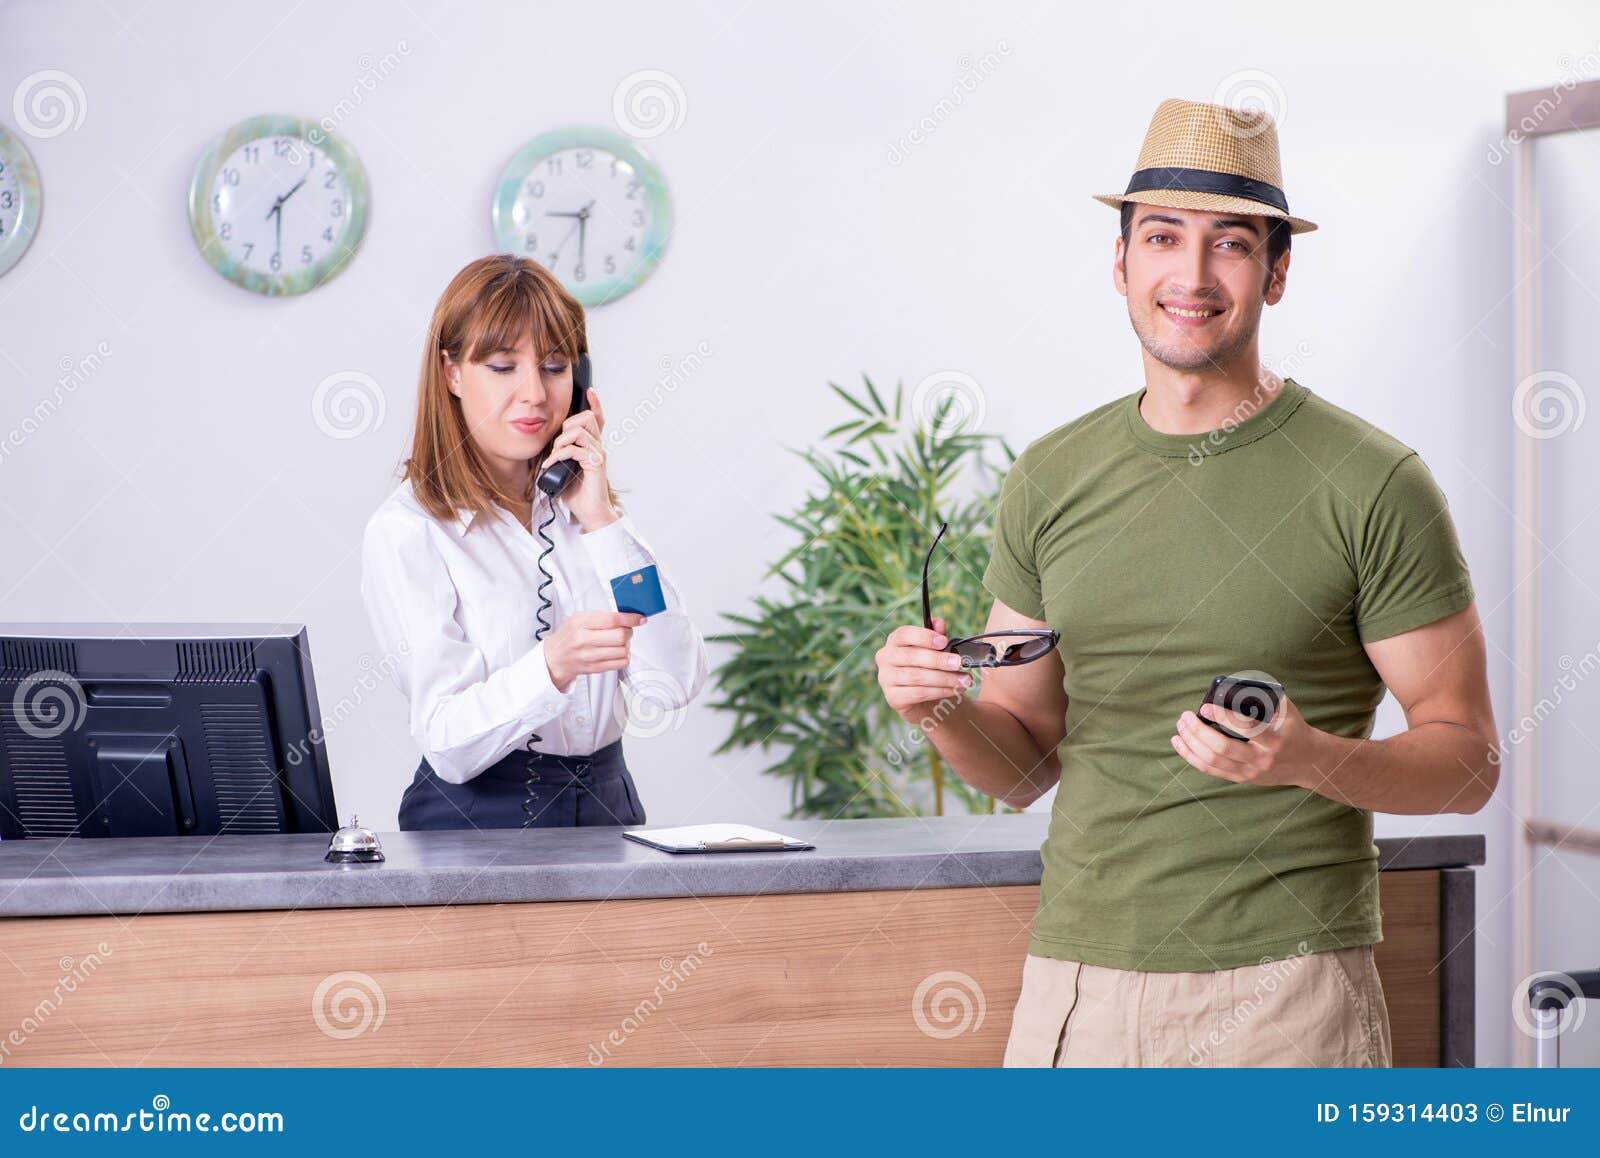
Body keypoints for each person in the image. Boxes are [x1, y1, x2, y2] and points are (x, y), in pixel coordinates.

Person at [873, 98, 1497, 1067]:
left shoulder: (1373, 482)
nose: (1192, 276)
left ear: (1278, 272)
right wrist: (938, 710)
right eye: (1162, 237)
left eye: (1232, 244)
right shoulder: (1051, 476)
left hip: (1288, 1002)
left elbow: (1468, 762)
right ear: (1120, 265)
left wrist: (1301, 760)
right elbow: (1028, 763)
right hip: (1077, 994)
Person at [361, 254, 707, 830]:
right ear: (451, 374)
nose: (534, 394)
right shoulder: (409, 530)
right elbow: (446, 741)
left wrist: (600, 521)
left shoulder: (590, 515)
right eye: (502, 366)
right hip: (474, 820)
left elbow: (672, 680)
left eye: (553, 367)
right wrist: (552, 666)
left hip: (605, 806)